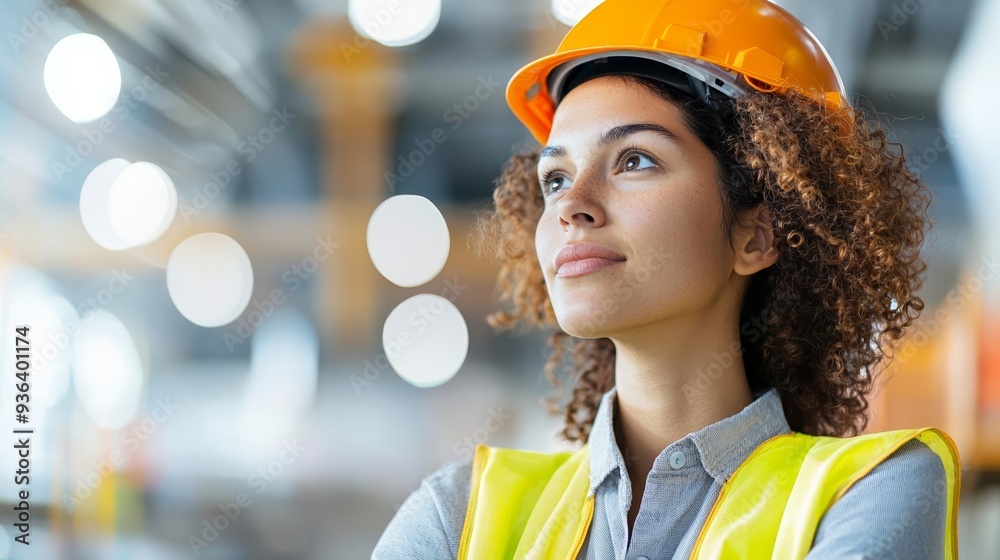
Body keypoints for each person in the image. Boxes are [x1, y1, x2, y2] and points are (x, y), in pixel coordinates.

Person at [372, 0, 961, 558]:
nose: (570, 205)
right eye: (556, 178)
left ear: (757, 236)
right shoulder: (460, 510)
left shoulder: (867, 488)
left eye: (635, 160)